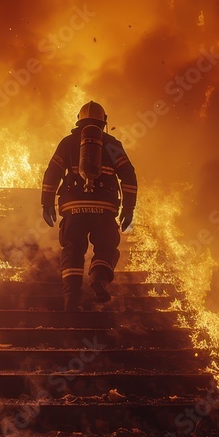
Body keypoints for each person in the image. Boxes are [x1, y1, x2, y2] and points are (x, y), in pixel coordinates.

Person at [41, 101, 137, 310]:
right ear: (104, 122)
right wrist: (129, 208)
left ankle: (71, 298)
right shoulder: (112, 144)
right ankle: (98, 278)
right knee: (106, 247)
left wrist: (46, 202)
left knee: (72, 250)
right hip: (104, 208)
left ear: (79, 119)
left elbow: (52, 172)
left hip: (74, 208)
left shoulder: (67, 143)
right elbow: (128, 176)